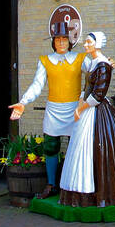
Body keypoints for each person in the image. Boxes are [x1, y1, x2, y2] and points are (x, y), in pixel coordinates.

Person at [58, 31, 115, 208]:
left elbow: (98, 95)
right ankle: (79, 193)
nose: (86, 45)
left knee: (95, 149)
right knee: (80, 148)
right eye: (86, 42)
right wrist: (79, 104)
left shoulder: (103, 65)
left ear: (97, 43)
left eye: (89, 42)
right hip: (86, 111)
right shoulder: (92, 63)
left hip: (96, 112)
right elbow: (87, 87)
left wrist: (80, 108)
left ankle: (102, 194)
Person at [9, 19, 84, 199]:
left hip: (74, 108)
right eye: (57, 39)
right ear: (53, 42)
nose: (61, 42)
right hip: (54, 109)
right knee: (51, 146)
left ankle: (73, 185)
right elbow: (37, 84)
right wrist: (24, 101)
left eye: (64, 39)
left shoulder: (80, 58)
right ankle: (51, 184)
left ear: (70, 41)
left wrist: (106, 62)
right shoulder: (45, 61)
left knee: (76, 146)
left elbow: (96, 69)